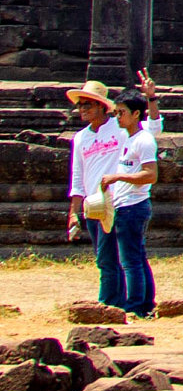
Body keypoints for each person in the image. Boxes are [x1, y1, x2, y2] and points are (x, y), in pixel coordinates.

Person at [61, 79, 126, 312]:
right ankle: (116, 301)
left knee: (108, 256)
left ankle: (109, 303)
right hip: (93, 205)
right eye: (80, 105)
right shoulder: (80, 138)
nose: (83, 109)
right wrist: (73, 214)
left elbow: (149, 132)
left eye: (88, 104)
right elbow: (77, 179)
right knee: (105, 255)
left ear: (101, 106)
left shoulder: (119, 129)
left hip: (116, 201)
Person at [104, 73, 162, 318]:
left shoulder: (143, 141)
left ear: (135, 114)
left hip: (133, 205)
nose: (117, 117)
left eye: (121, 113)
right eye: (116, 113)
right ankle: (146, 303)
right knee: (137, 256)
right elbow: (155, 122)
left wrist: (118, 178)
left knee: (130, 260)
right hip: (126, 204)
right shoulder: (131, 137)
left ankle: (136, 305)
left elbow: (151, 175)